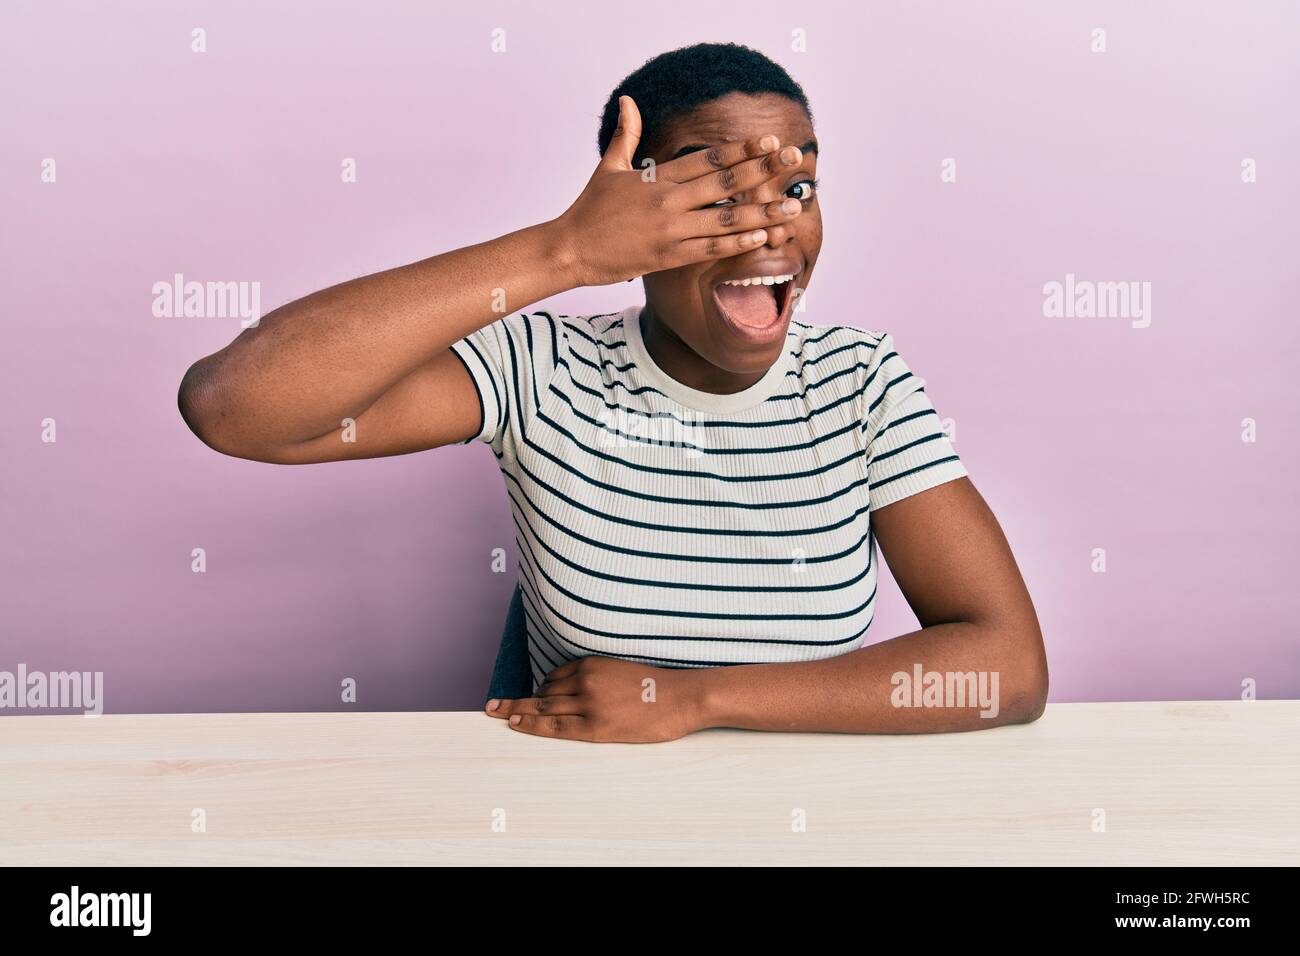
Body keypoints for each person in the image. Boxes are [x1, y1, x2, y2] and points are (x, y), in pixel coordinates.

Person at [179, 42, 1048, 743]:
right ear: (631, 213)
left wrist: (693, 700)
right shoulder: (543, 370)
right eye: (716, 193)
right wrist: (564, 251)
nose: (770, 224)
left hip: (800, 820)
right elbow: (233, 406)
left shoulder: (859, 381)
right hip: (584, 816)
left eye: (797, 186)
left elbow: (1006, 666)